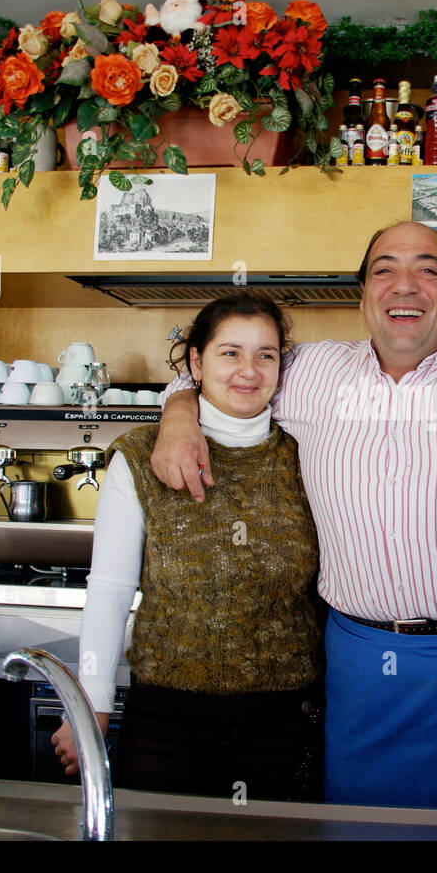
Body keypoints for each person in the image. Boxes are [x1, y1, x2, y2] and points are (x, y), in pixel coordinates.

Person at [152, 222, 437, 811]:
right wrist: (177, 416)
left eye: (427, 269)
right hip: (360, 662)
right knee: (360, 824)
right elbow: (220, 375)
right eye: (384, 270)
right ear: (363, 294)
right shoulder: (311, 374)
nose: (404, 286)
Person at [53, 291, 325, 802]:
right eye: (230, 353)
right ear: (196, 362)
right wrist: (92, 702)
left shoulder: (309, 457)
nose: (249, 370)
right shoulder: (139, 456)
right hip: (167, 720)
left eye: (266, 354)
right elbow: (110, 589)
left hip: (289, 720)